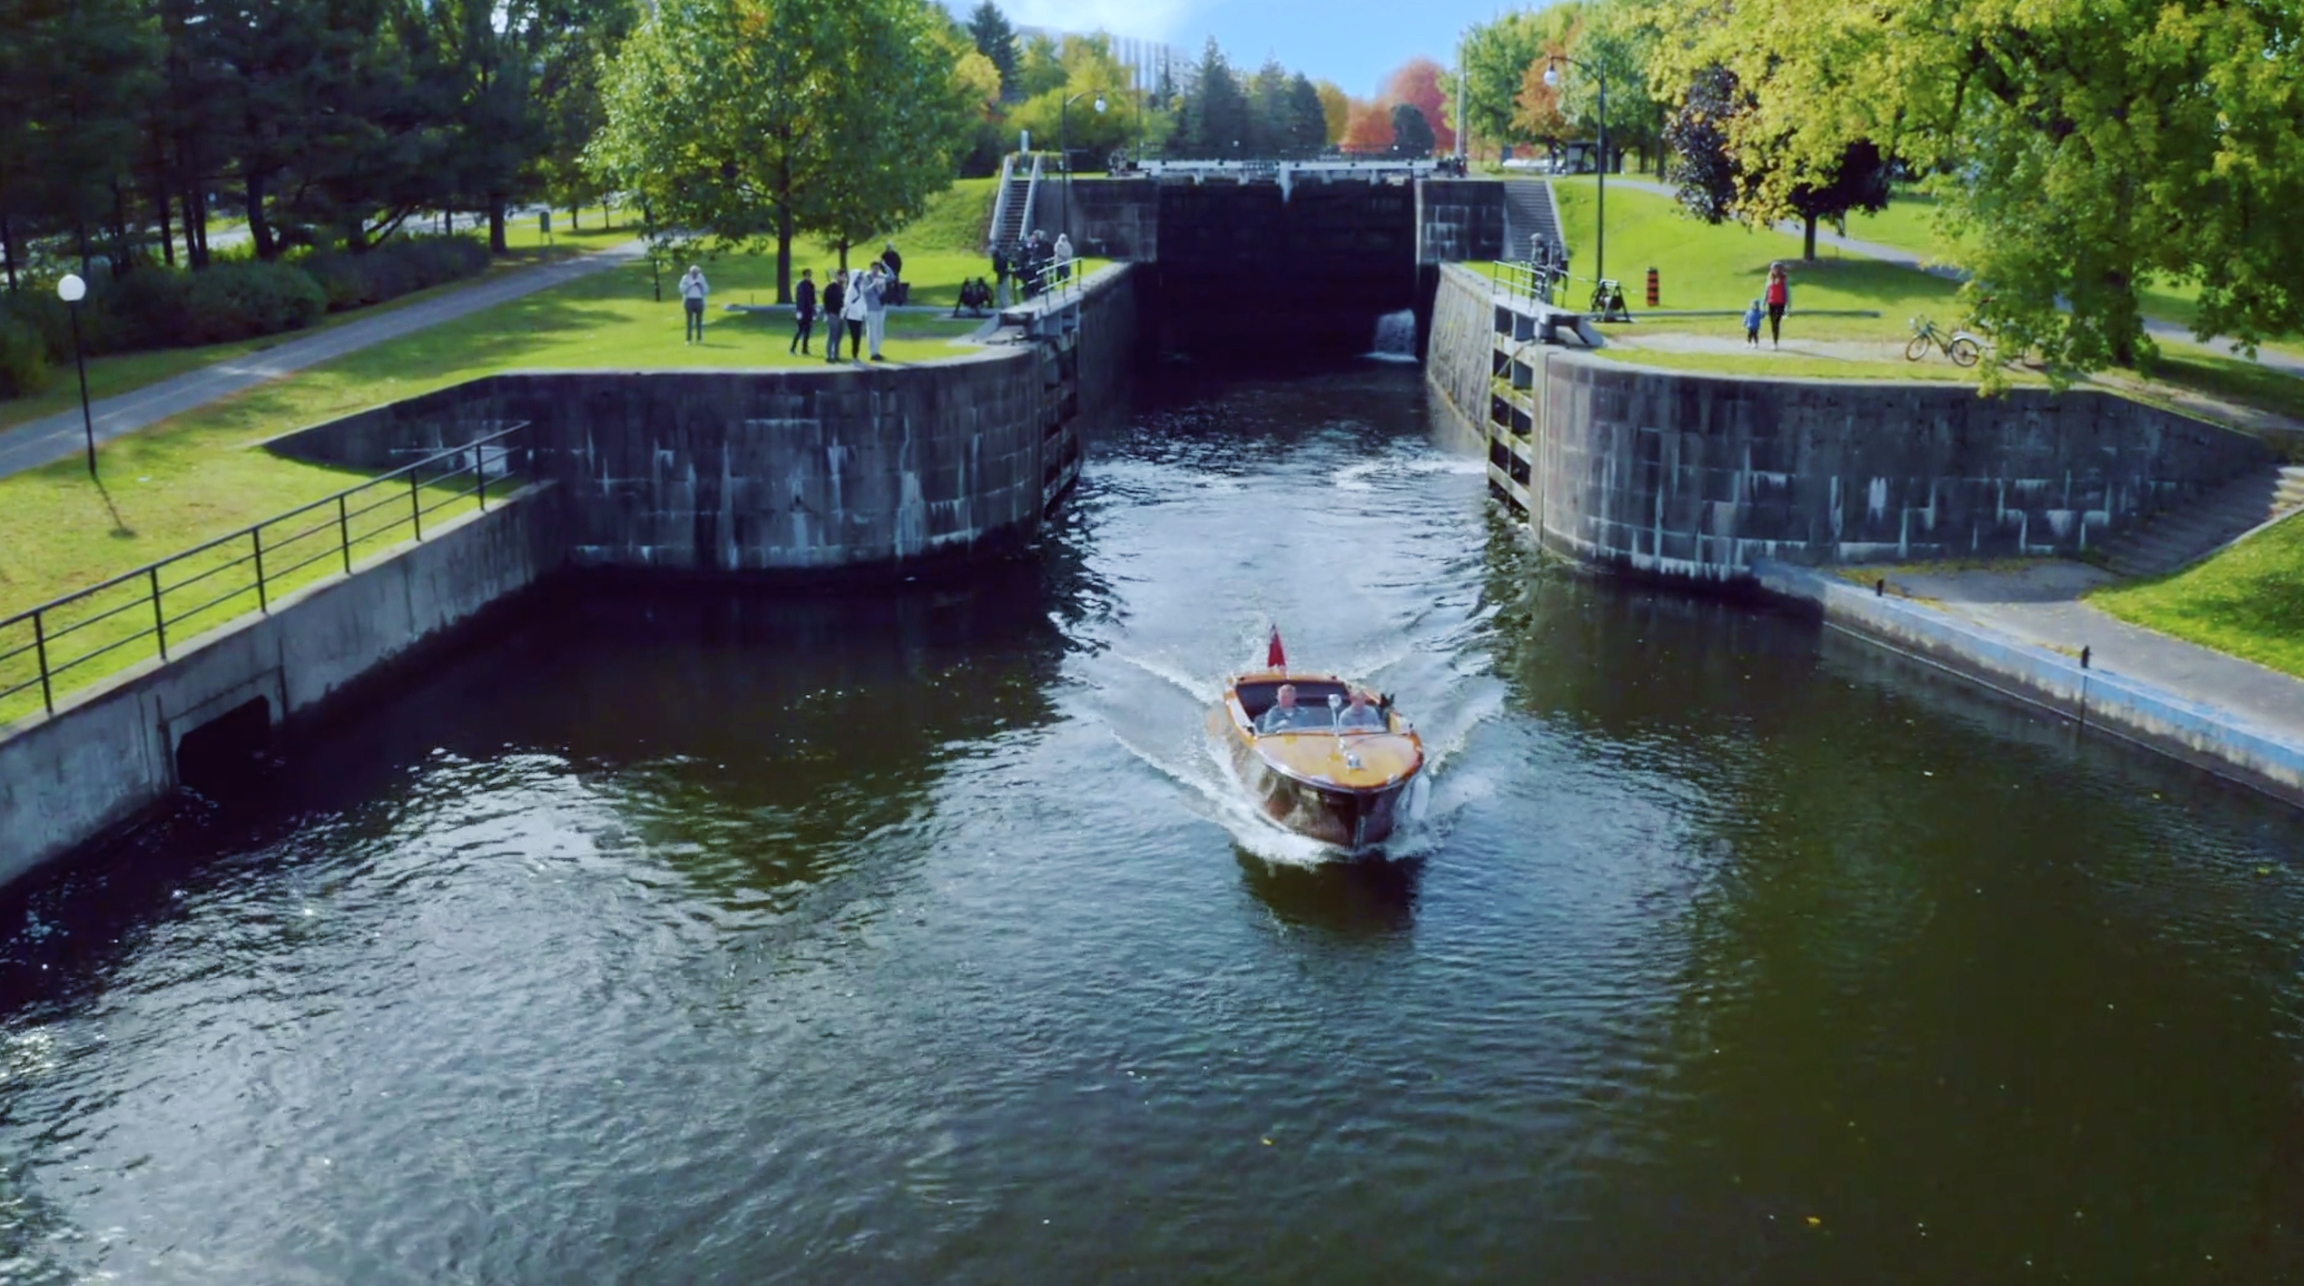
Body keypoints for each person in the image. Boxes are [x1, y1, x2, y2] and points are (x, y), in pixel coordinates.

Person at [1255, 684, 1320, 734]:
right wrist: (1279, 725)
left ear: (1294, 697)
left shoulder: (1303, 713)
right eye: (1282, 697)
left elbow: (1312, 730)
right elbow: (1266, 731)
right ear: (1277, 697)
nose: (1284, 700)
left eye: (1288, 697)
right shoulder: (1273, 713)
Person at [861, 262, 889, 361]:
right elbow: (864, 292)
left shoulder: (882, 276)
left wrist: (885, 266)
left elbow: (892, 277)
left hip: (881, 307)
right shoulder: (866, 277)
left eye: (878, 268)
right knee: (872, 331)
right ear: (871, 268)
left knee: (880, 331)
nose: (876, 270)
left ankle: (878, 350)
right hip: (871, 308)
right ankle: (873, 352)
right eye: (874, 268)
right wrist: (873, 284)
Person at [841, 266, 868, 363]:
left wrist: (864, 313)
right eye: (859, 277)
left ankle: (856, 355)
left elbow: (863, 302)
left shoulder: (860, 289)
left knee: (858, 336)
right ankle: (854, 355)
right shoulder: (851, 290)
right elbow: (847, 303)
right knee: (855, 335)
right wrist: (856, 311)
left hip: (859, 316)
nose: (861, 279)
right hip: (852, 316)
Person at [822, 269, 847, 362]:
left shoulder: (843, 288)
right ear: (838, 276)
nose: (844, 278)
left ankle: (836, 355)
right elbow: (826, 300)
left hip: (841, 315)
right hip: (832, 314)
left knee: (839, 336)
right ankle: (829, 356)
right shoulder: (831, 287)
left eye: (845, 276)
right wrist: (828, 312)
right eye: (842, 276)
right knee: (832, 335)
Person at [791, 268, 817, 355]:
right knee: (799, 330)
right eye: (808, 275)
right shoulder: (800, 285)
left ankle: (804, 349)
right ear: (804, 275)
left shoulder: (811, 285)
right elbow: (799, 299)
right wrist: (799, 311)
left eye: (810, 275)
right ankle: (792, 348)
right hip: (802, 311)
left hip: (809, 311)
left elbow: (813, 299)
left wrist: (814, 309)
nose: (809, 277)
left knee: (807, 331)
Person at [680, 265, 708, 343]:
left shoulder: (701, 278)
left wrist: (700, 286)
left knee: (699, 321)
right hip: (689, 300)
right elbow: (682, 289)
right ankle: (689, 339)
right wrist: (690, 285)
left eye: (696, 272)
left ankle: (699, 338)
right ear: (690, 272)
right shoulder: (686, 278)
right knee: (689, 321)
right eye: (693, 272)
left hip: (699, 300)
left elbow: (706, 289)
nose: (695, 274)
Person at [1765, 263, 1791, 347]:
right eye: (1773, 269)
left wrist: (1788, 304)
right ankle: (1774, 340)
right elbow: (1766, 291)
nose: (1775, 271)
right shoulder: (1769, 278)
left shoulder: (1784, 279)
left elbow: (1787, 291)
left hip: (1780, 303)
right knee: (1773, 322)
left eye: (1776, 269)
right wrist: (1763, 303)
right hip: (1771, 302)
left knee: (1777, 321)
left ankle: (1775, 341)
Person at [991, 243, 1011, 308]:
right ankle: (1005, 304)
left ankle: (1005, 305)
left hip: (1003, 275)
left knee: (1003, 290)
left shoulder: (999, 257)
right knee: (1003, 290)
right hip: (1003, 275)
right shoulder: (1002, 256)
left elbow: (997, 267)